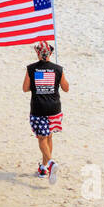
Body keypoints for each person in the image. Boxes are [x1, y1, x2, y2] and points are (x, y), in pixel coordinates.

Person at [22, 41, 68, 180]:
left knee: (42, 138)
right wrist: (57, 77)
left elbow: (25, 88)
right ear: (51, 53)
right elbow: (66, 88)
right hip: (54, 109)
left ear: (37, 53)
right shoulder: (58, 69)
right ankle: (43, 168)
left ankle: (50, 163)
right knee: (48, 137)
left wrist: (37, 86)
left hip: (39, 109)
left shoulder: (31, 69)